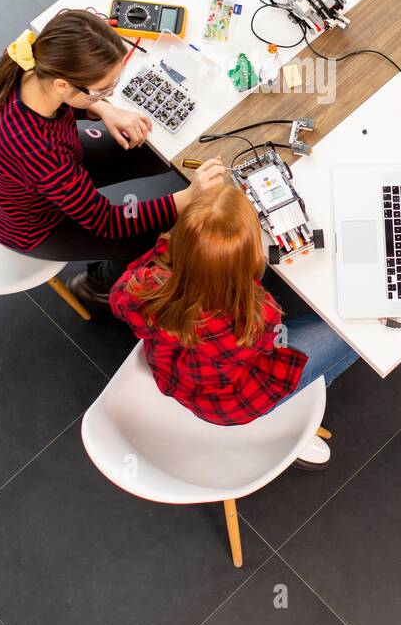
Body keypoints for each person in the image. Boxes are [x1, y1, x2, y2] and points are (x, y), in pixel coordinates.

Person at [0, 8, 225, 307]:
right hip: (32, 225)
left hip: (55, 165)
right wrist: (188, 198)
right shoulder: (37, 151)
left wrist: (105, 108)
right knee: (144, 239)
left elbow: (68, 106)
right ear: (63, 84)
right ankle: (98, 285)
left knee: (145, 147)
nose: (109, 94)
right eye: (103, 89)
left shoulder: (34, 70)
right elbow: (107, 222)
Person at [110, 182, 359, 466]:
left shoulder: (141, 287)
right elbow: (268, 347)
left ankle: (296, 404)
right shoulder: (255, 318)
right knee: (357, 333)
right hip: (234, 404)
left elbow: (122, 294)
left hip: (175, 378)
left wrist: (174, 250)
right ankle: (291, 410)